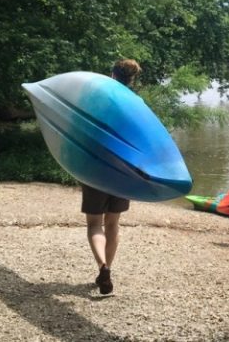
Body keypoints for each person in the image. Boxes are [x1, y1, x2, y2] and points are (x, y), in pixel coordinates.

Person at [82, 58, 141, 295]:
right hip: (122, 172)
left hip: (96, 168)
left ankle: (102, 267)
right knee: (113, 223)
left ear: (112, 74)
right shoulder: (137, 104)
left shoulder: (98, 99)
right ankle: (108, 269)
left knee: (95, 224)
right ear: (133, 78)